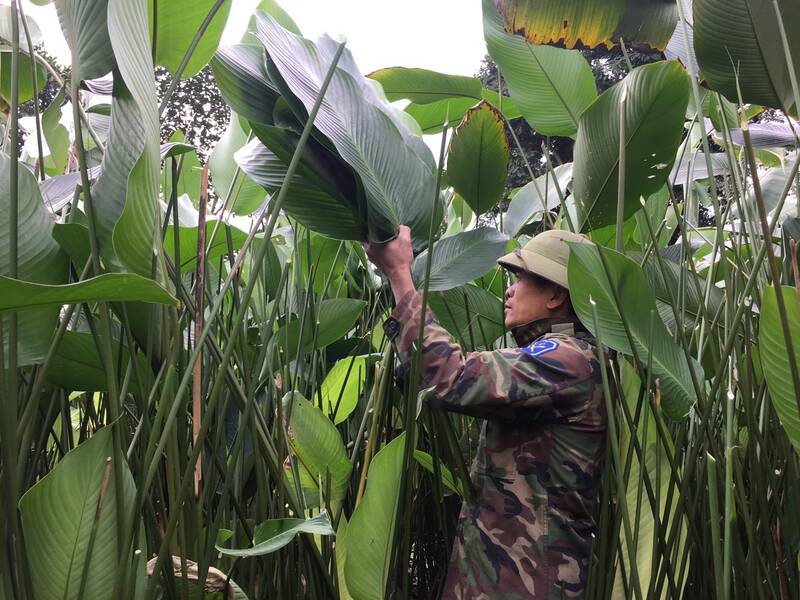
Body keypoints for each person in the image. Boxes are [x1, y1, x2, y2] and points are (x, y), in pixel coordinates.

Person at [364, 226, 607, 599]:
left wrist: (399, 274)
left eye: (522, 278)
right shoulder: (562, 357)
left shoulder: (569, 359)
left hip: (524, 581)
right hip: (505, 573)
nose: (509, 289)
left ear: (557, 294)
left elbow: (453, 377)